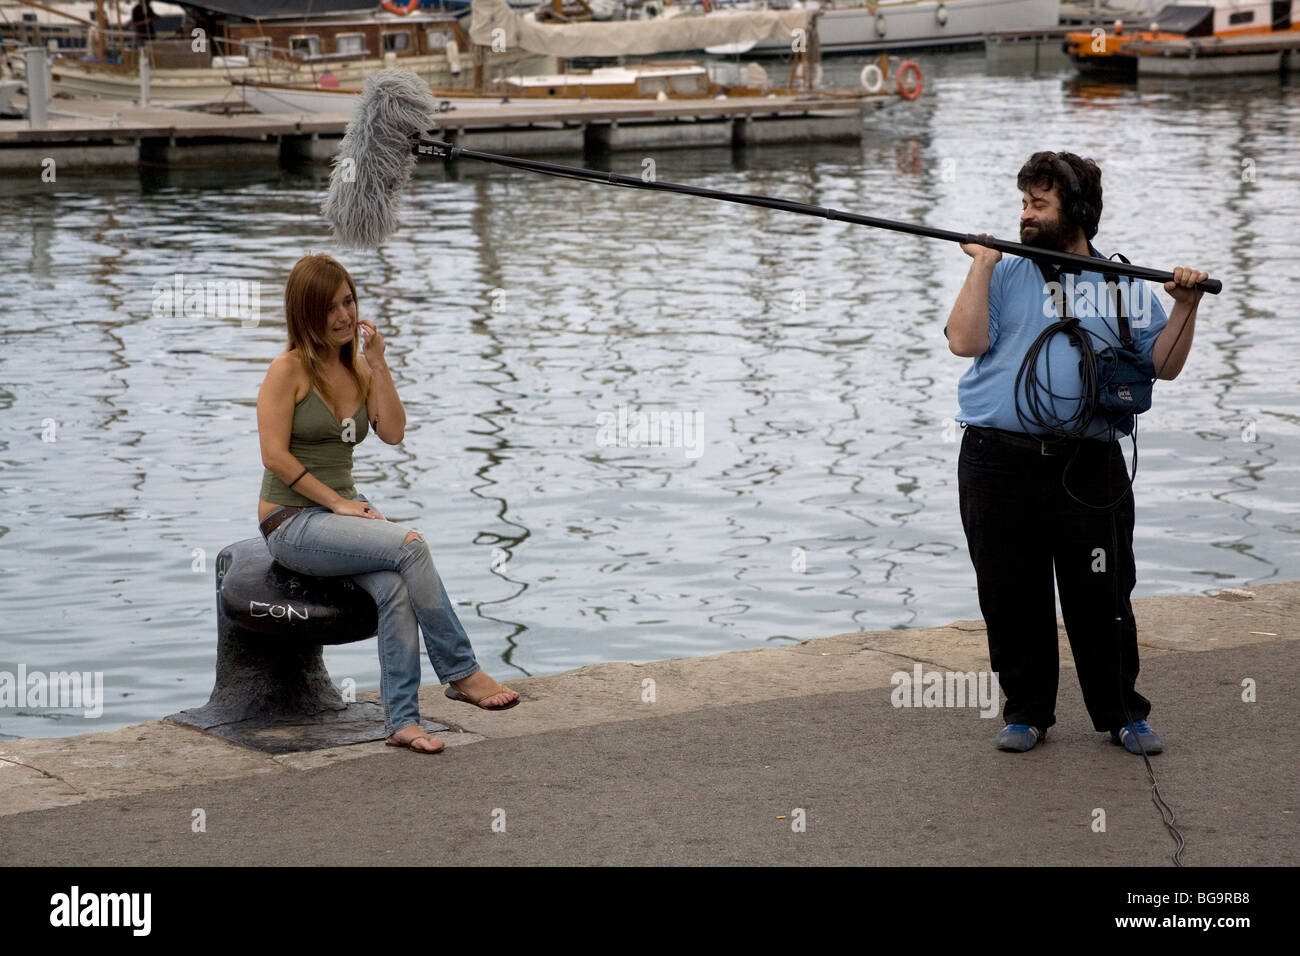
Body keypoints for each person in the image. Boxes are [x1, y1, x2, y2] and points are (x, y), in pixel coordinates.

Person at [944, 150, 1209, 755]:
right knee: (1011, 593)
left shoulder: (1123, 283)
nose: (1025, 215)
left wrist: (1185, 307)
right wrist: (982, 265)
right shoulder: (1005, 271)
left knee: (1103, 591)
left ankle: (1121, 714)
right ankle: (1027, 711)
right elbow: (964, 341)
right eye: (1023, 203)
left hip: (1089, 462)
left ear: (1078, 211)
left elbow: (1162, 368)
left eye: (1039, 204)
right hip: (997, 459)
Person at [257, 253, 519, 754]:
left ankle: (401, 720)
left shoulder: (358, 367)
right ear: (304, 314)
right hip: (291, 522)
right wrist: (336, 502)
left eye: (348, 301)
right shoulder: (285, 370)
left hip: (342, 516)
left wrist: (377, 362)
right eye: (329, 307)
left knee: (397, 586)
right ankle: (462, 672)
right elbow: (273, 454)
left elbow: (393, 433)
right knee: (411, 546)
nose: (343, 316)